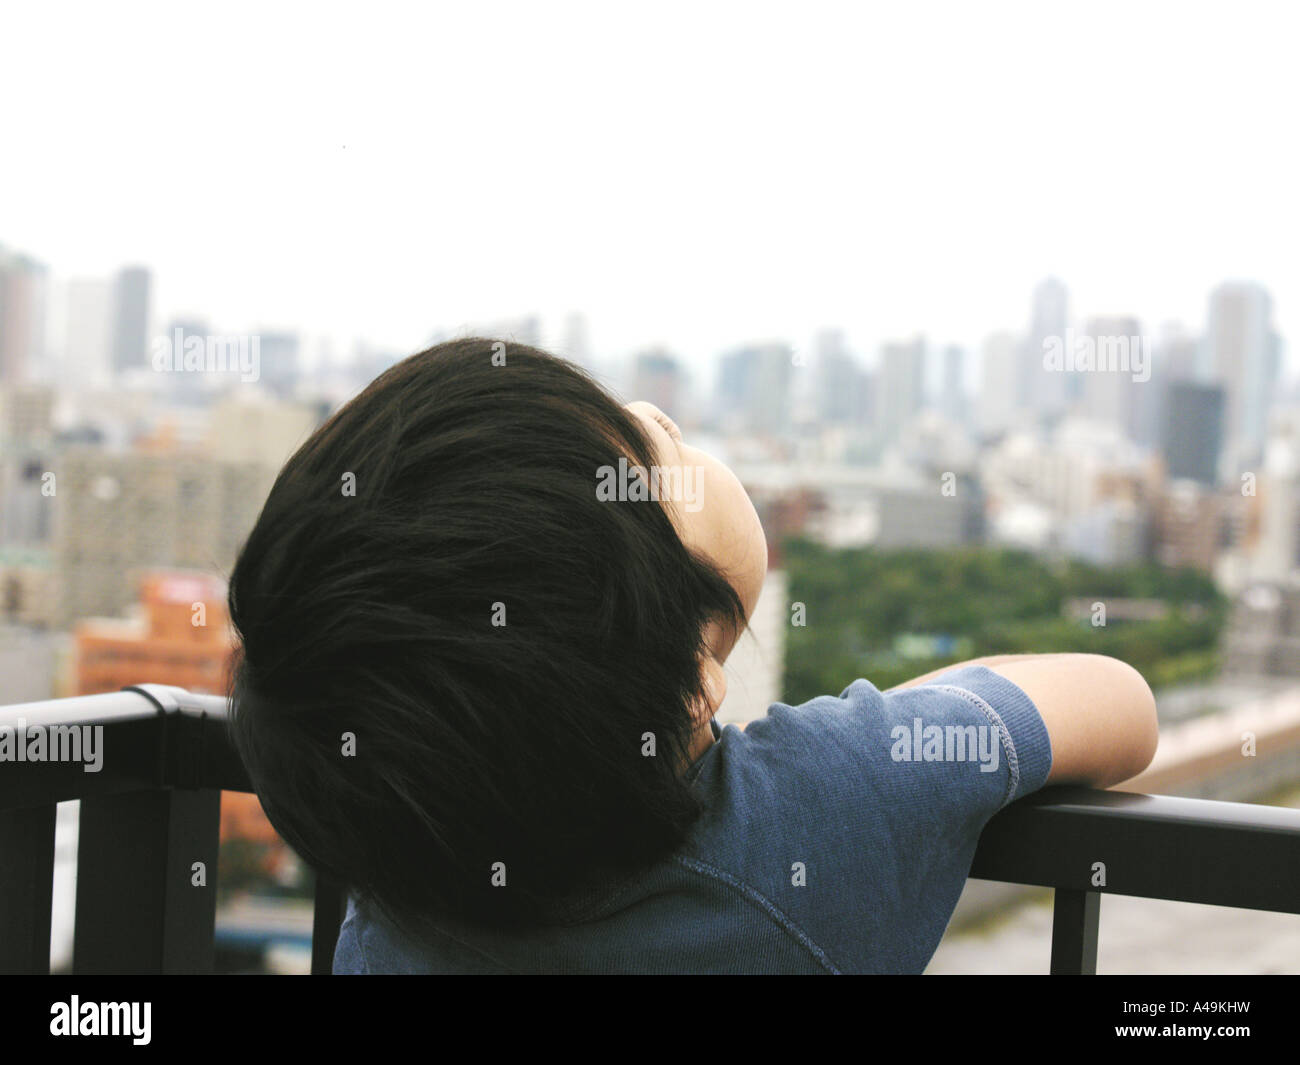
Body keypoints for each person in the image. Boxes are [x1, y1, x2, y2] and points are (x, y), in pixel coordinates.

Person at [227, 338, 1158, 973]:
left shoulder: (400, 900)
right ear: (690, 686)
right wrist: (879, 731)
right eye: (654, 454)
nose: (650, 408)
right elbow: (1115, 701)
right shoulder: (815, 820)